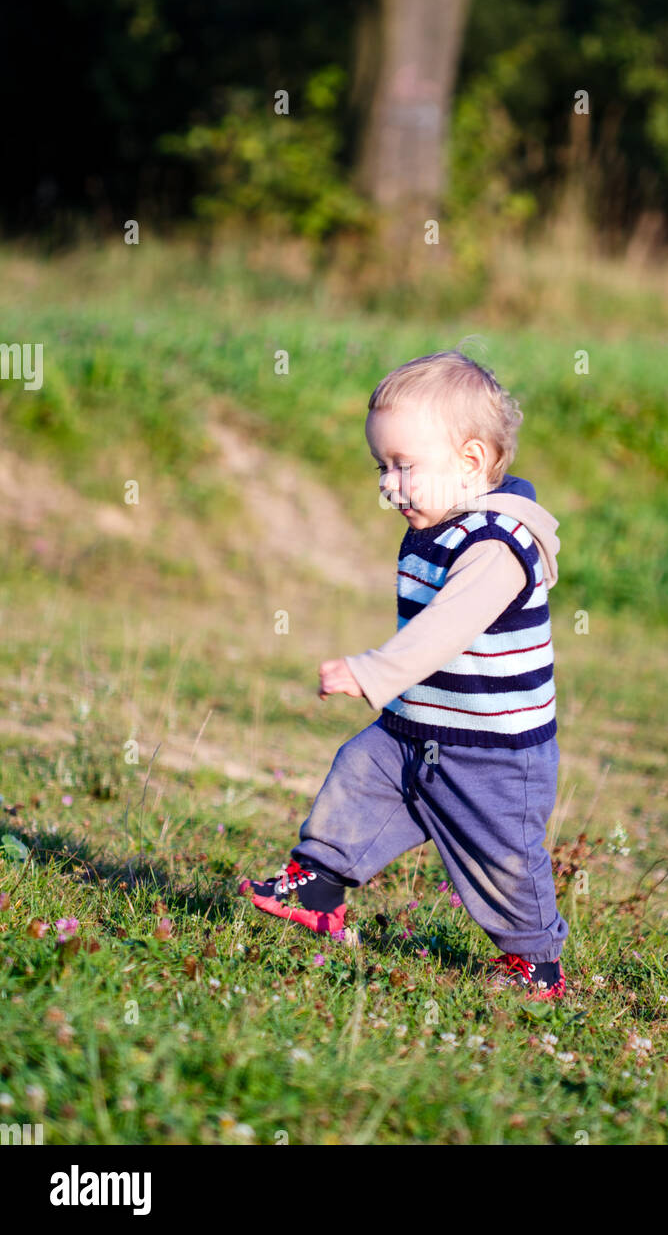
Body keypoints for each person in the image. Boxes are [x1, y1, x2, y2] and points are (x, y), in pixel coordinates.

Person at [239, 349, 569, 999]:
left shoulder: (497, 544)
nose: (389, 485)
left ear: (471, 463)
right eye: (381, 467)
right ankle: (319, 885)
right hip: (416, 725)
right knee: (360, 773)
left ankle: (535, 961)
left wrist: (373, 671)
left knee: (503, 860)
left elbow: (446, 628)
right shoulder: (438, 525)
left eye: (403, 467)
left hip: (494, 752)